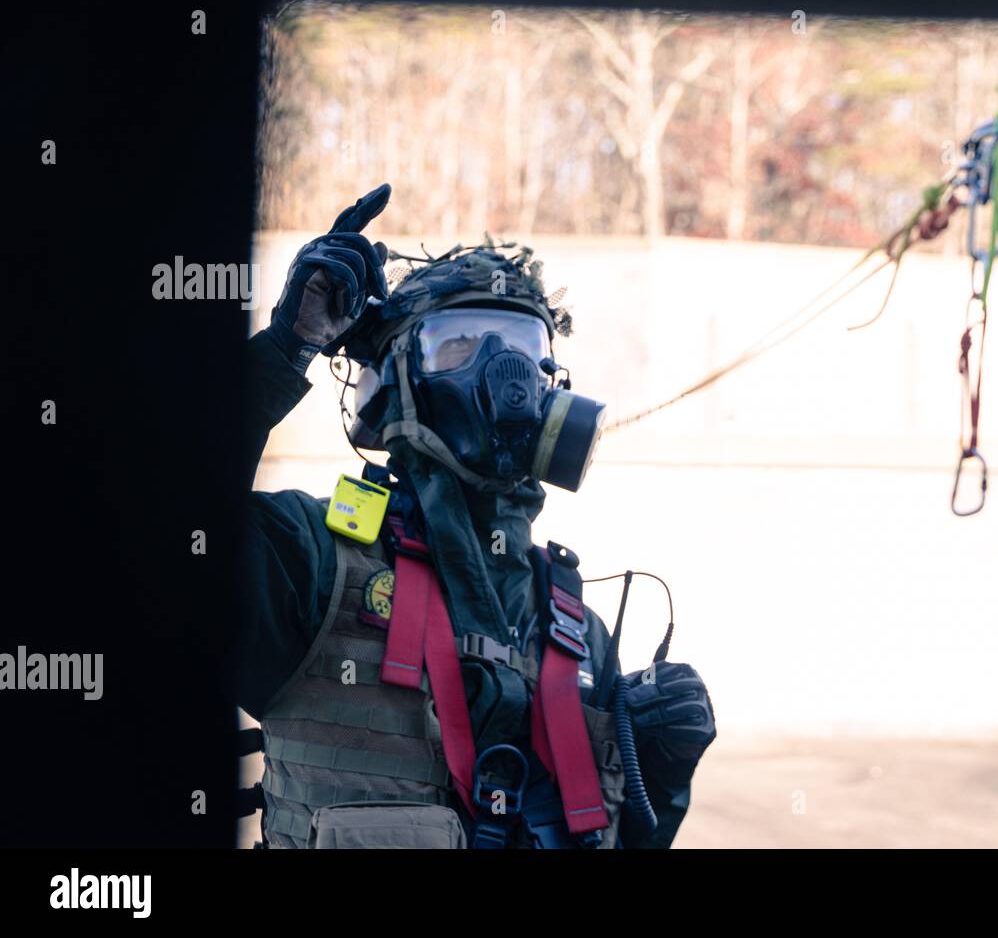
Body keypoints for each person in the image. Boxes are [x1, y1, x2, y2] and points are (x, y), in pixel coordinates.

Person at [236, 184, 715, 848]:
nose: (508, 371)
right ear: (399, 381)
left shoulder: (577, 629)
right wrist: (287, 349)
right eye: (461, 344)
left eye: (524, 344)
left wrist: (658, 777)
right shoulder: (309, 561)